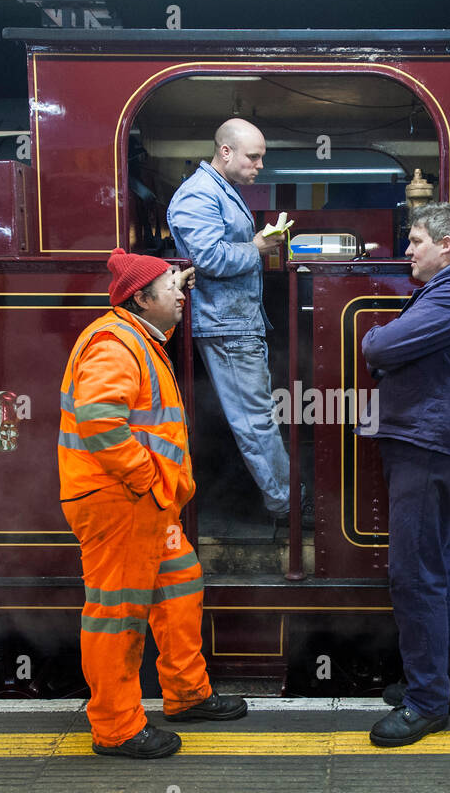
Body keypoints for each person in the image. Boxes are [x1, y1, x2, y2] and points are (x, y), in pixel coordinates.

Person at [58, 248, 247, 759]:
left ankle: (187, 695)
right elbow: (100, 423)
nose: (183, 296)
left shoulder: (138, 338)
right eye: (173, 288)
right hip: (120, 501)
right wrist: (146, 478)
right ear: (142, 298)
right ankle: (116, 728)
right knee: (116, 612)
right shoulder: (114, 344)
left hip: (145, 503)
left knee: (180, 586)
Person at [360, 203, 450, 747]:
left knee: (413, 575)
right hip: (435, 445)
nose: (407, 250)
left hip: (430, 446)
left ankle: (425, 703)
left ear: (446, 244)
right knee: (434, 569)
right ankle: (447, 688)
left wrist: (379, 343)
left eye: (416, 240)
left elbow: (381, 344)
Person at [166, 118, 304, 524]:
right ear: (225, 151)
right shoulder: (198, 196)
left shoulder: (217, 191)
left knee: (255, 417)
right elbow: (209, 260)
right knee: (255, 420)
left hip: (236, 320)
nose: (260, 165)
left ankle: (284, 498)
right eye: (254, 156)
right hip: (225, 324)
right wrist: (259, 245)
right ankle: (288, 506)